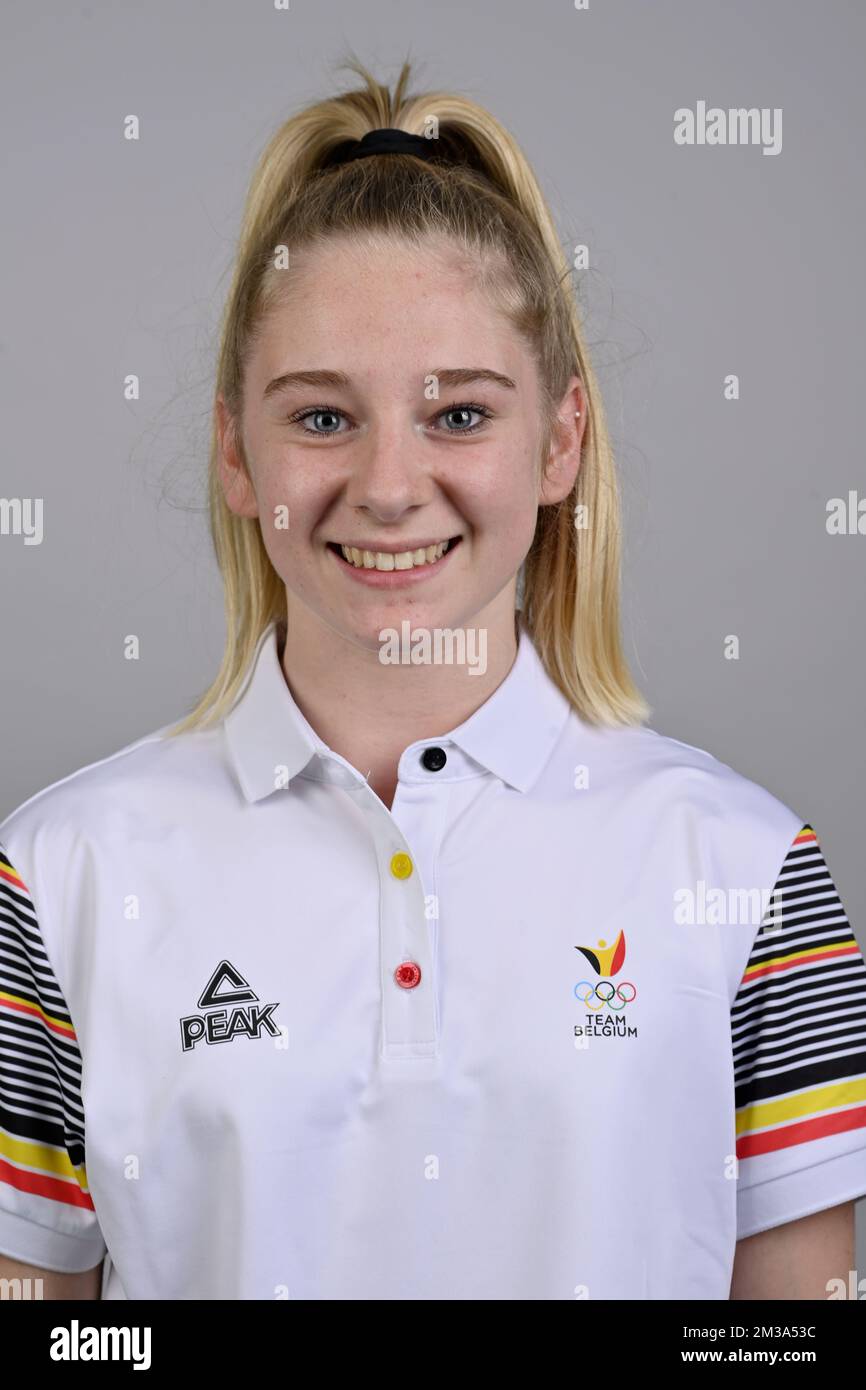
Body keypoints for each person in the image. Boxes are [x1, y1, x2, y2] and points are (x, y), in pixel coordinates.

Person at [1, 58, 864, 1302]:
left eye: (458, 414)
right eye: (319, 417)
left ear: (559, 441)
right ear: (234, 452)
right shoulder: (59, 876)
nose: (391, 486)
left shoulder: (743, 869)